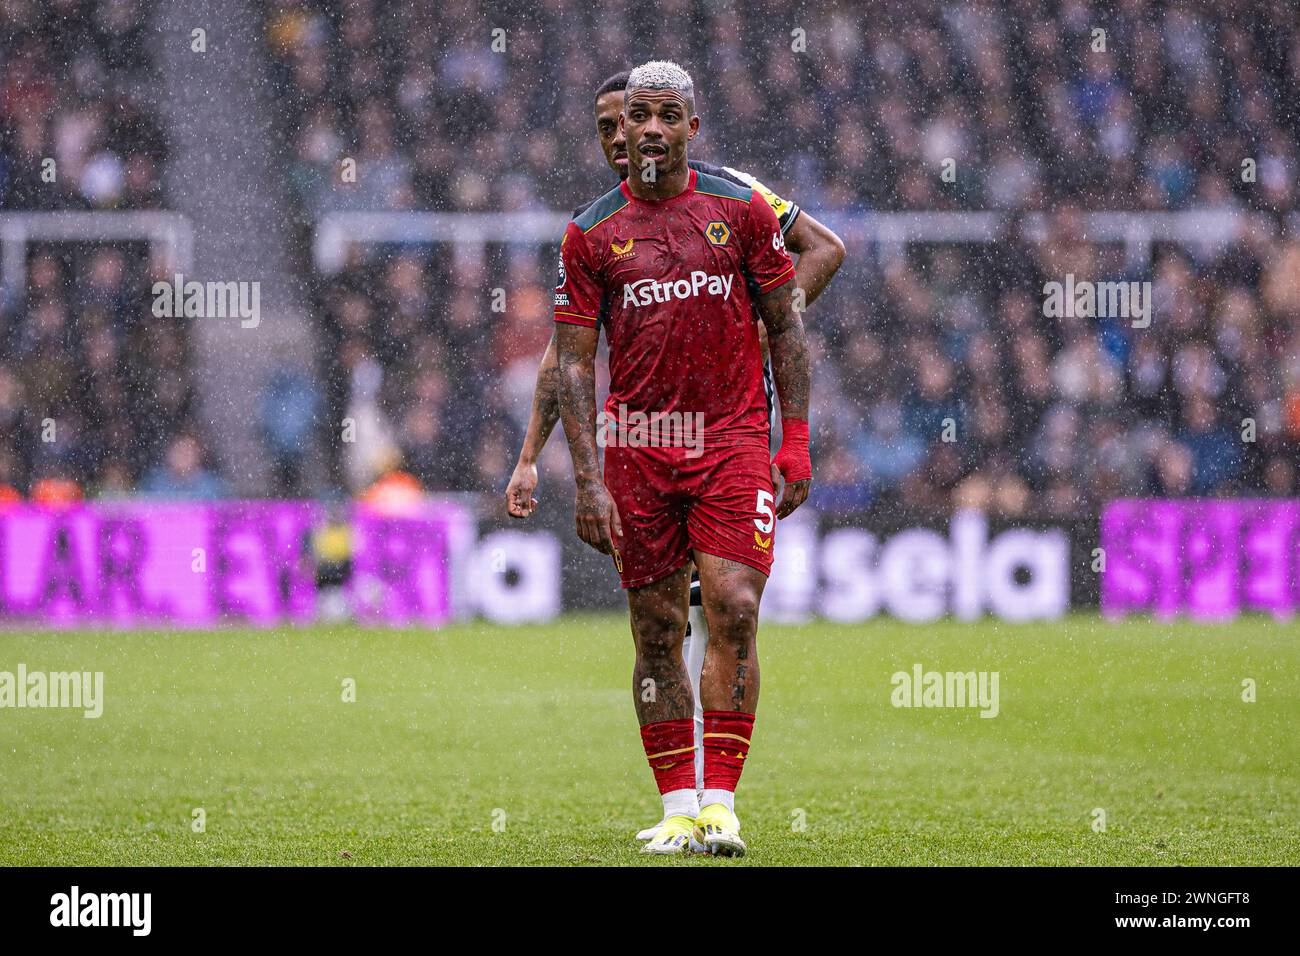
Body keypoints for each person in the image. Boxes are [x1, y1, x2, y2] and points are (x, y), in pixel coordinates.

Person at [505, 68, 843, 845]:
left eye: (658, 117)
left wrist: (783, 411)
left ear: (690, 124)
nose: (632, 135)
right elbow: (569, 358)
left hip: (729, 436)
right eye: (621, 123)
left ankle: (721, 803)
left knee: (735, 606)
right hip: (641, 448)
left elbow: (813, 273)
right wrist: (554, 466)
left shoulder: (743, 204)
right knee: (656, 631)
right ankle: (678, 811)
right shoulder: (590, 233)